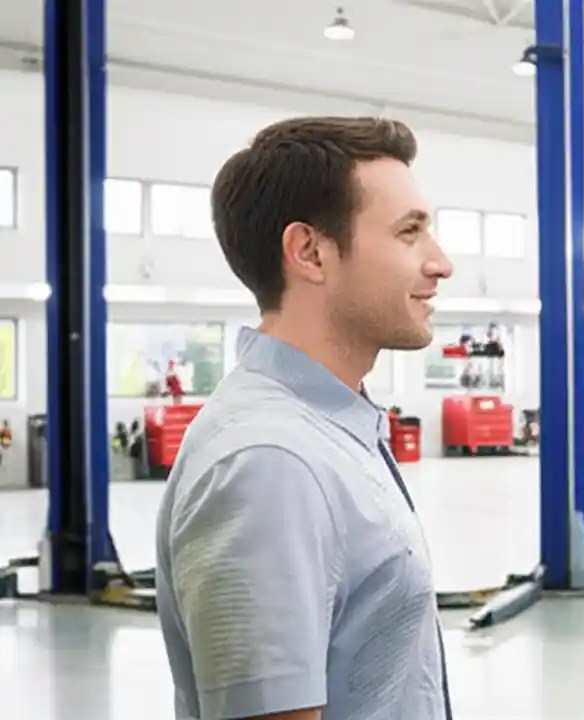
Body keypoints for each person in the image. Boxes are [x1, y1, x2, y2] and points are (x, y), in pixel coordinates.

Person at [154, 117, 454, 720]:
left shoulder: (332, 431)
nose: (441, 263)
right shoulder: (269, 462)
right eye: (408, 232)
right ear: (310, 252)